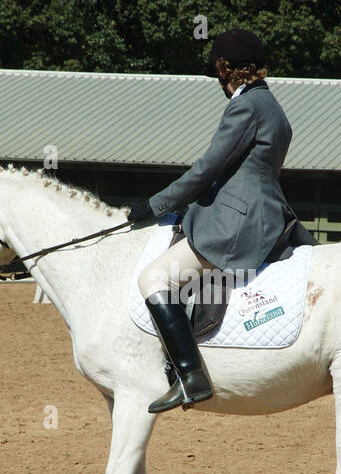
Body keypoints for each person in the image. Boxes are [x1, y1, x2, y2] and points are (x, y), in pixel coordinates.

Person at [126, 28, 316, 414]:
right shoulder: (272, 107)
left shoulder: (246, 107)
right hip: (265, 213)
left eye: (217, 70)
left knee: (153, 278)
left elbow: (206, 169)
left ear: (227, 70)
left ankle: (189, 376)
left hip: (237, 223)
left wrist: (155, 204)